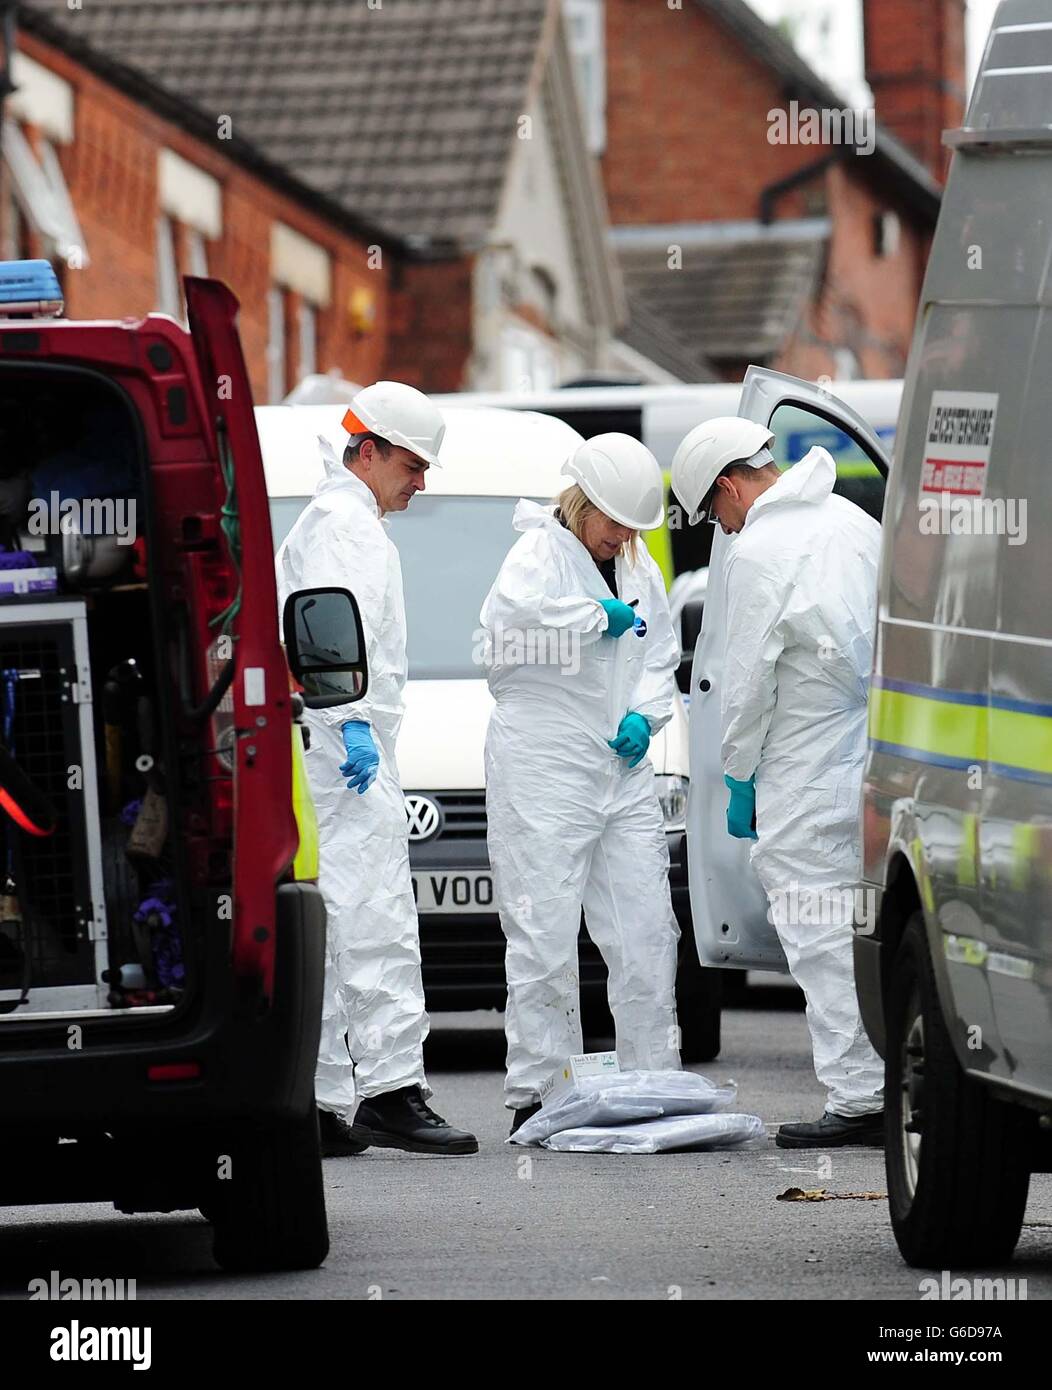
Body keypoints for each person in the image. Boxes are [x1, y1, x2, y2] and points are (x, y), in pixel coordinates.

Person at [276, 381, 477, 1157]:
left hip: (334, 746)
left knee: (334, 927)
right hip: (345, 751)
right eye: (412, 465)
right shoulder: (345, 530)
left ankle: (325, 1103)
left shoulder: (338, 521)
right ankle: (392, 1090)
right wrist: (350, 721)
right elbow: (331, 633)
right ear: (369, 451)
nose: (420, 483)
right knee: (379, 922)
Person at [671, 417, 884, 1148]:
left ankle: (861, 1095)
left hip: (806, 753)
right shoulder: (853, 520)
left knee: (815, 922)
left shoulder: (760, 548)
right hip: (873, 744)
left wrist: (738, 776)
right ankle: (897, 1078)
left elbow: (746, 680)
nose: (719, 528)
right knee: (870, 919)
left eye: (713, 513)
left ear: (731, 486)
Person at [481, 434, 683, 1134]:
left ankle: (654, 1078)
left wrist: (645, 715)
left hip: (620, 768)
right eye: (615, 521)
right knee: (543, 930)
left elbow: (659, 653)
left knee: (646, 927)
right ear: (583, 502)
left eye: (633, 525)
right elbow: (506, 637)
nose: (624, 536)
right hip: (545, 763)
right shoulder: (536, 556)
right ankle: (541, 1091)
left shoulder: (636, 567)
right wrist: (597, 618)